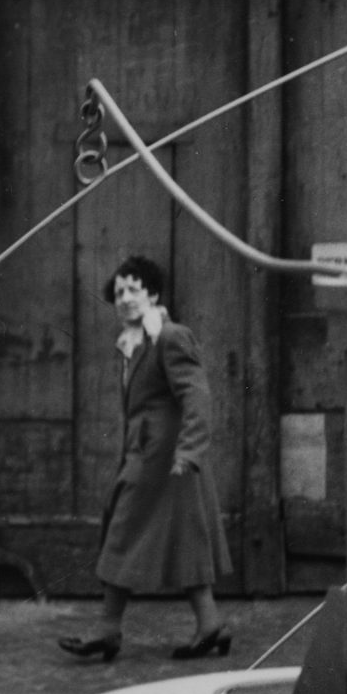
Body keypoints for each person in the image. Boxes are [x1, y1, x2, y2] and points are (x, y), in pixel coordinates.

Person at [58, 254, 233, 663]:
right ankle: (210, 626)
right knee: (184, 540)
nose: (125, 298)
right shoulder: (134, 344)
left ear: (152, 294)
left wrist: (188, 452)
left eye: (134, 289)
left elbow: (197, 395)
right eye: (119, 292)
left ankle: (107, 630)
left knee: (122, 532)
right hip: (151, 457)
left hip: (167, 460)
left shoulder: (169, 336)